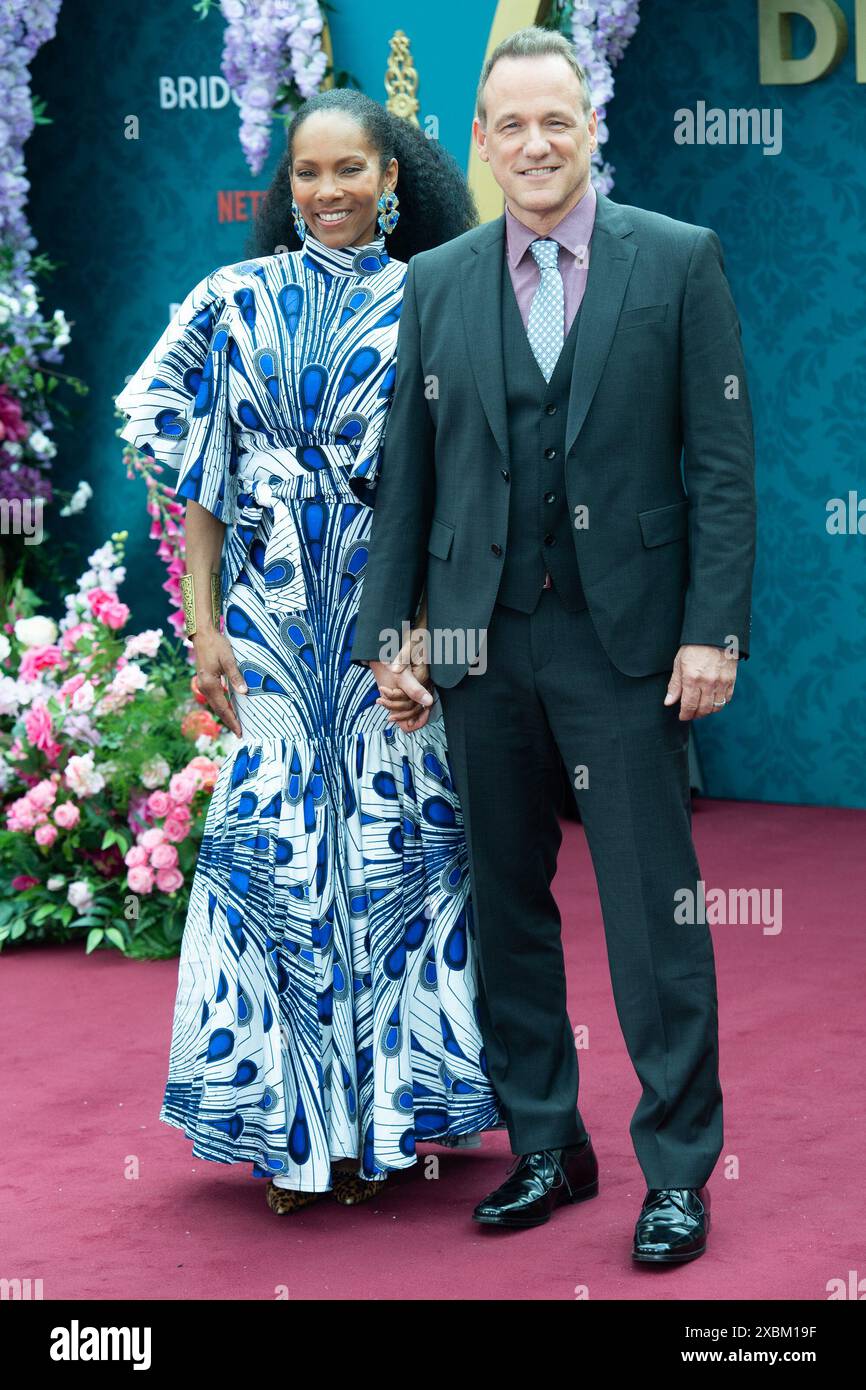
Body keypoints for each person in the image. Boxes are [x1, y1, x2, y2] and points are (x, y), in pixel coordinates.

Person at [352, 27, 756, 1262]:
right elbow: (407, 480)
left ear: (591, 131)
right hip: (478, 638)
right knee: (507, 907)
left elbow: (723, 471)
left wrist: (711, 633)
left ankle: (675, 1172)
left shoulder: (677, 262)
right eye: (510, 125)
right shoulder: (435, 280)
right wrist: (393, 636)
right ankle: (547, 1144)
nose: (535, 144)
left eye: (556, 121)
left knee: (652, 912)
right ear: (479, 141)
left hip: (626, 640)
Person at [115, 89, 502, 1215]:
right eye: (305, 175)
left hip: (387, 633)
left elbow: (459, 488)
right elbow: (199, 482)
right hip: (271, 629)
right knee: (275, 862)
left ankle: (388, 1125)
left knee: (392, 858)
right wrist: (202, 626)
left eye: (349, 171)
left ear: (393, 181)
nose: (325, 193)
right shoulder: (231, 301)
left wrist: (428, 631)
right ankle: (288, 1132)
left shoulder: (429, 299)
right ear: (284, 187)